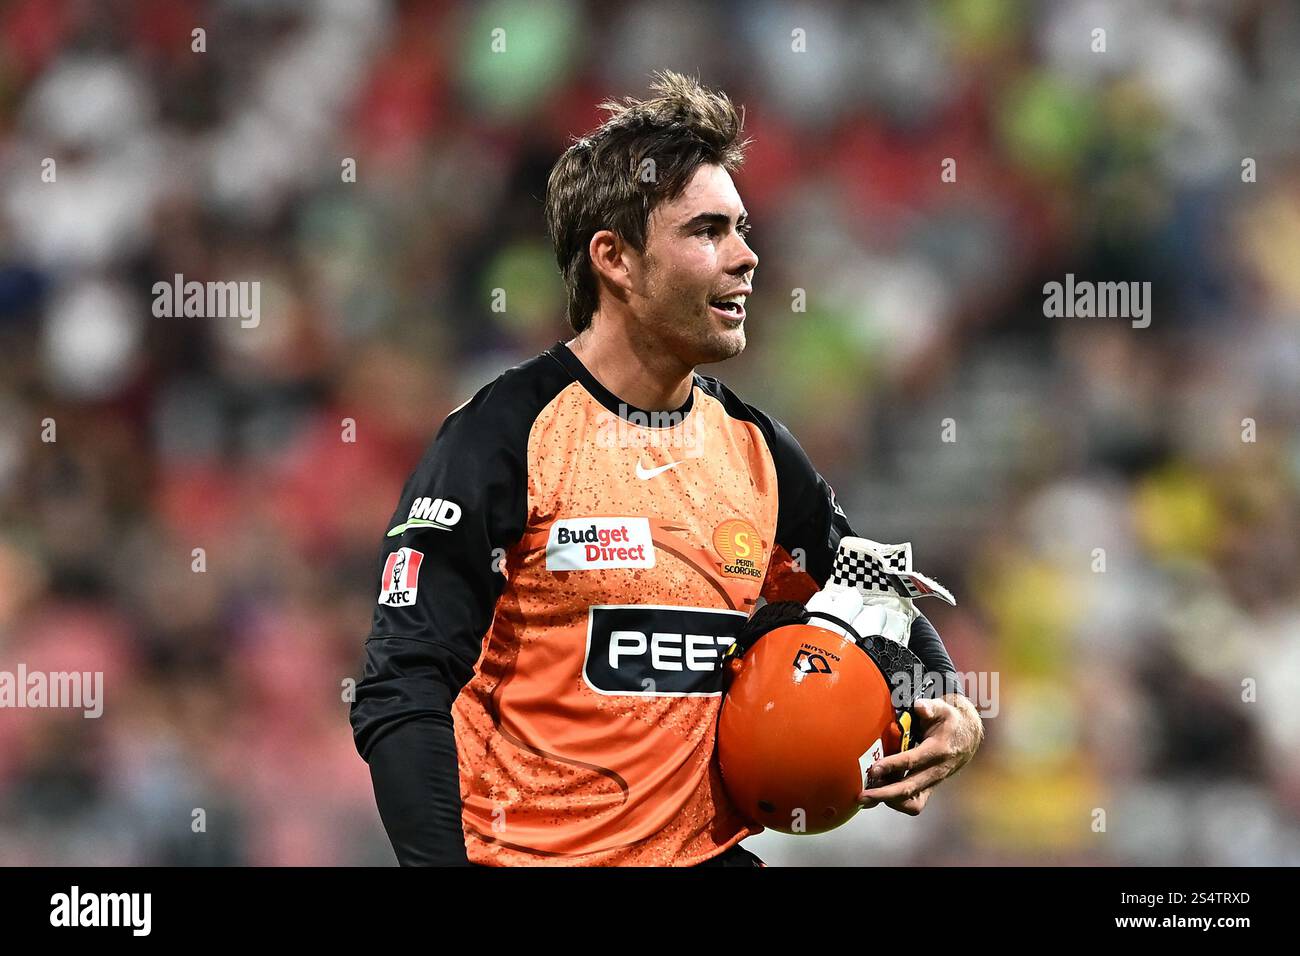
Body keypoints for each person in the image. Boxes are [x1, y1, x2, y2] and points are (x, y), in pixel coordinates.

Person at [349, 71, 983, 867]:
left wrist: (946, 704)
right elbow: (400, 691)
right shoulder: (502, 438)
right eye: (708, 231)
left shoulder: (759, 451)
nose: (748, 257)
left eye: (743, 229)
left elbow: (873, 603)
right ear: (615, 259)